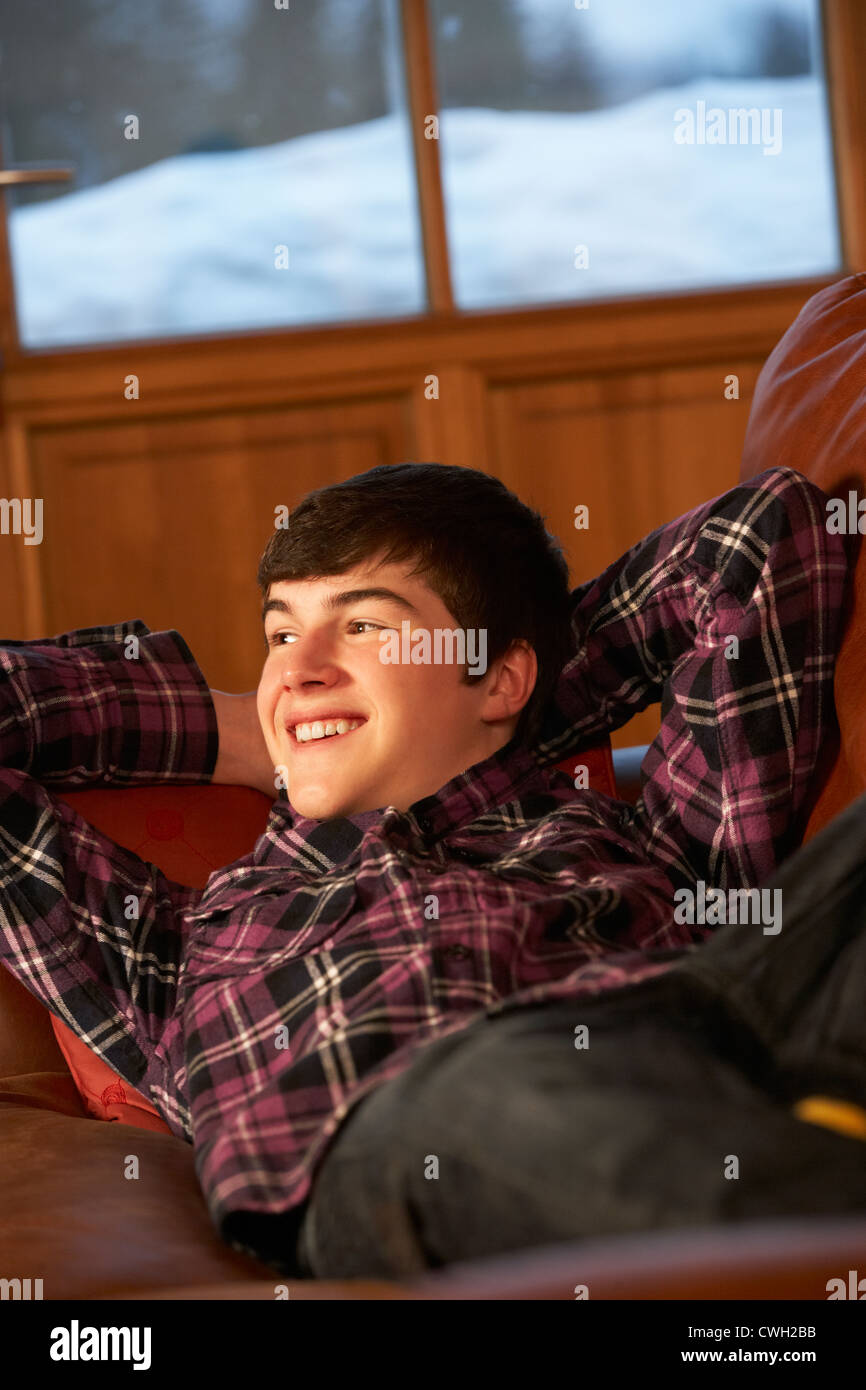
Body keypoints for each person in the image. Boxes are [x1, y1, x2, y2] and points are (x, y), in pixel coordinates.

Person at [1, 459, 864, 1283]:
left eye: (365, 624)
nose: (297, 670)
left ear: (504, 676)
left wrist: (494, 708)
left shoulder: (655, 844)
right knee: (507, 1091)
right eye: (281, 633)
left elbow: (756, 539)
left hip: (707, 1013)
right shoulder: (187, 942)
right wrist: (239, 729)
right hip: (404, 1126)